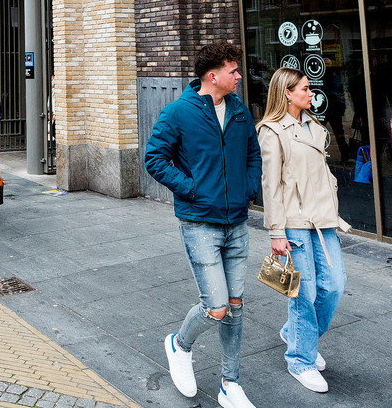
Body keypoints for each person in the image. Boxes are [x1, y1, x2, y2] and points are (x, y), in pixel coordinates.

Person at [144, 41, 260, 408]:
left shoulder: (240, 111)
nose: (239, 76)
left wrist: (248, 188)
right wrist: (190, 188)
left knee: (236, 305)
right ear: (213, 76)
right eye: (233, 70)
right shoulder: (179, 112)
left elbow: (253, 155)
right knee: (217, 307)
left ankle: (230, 384)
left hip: (237, 221)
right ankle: (180, 344)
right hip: (200, 223)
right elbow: (154, 158)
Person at [257, 68, 350, 394]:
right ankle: (300, 359)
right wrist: (275, 231)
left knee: (335, 286)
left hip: (324, 219)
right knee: (304, 294)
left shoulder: (315, 126)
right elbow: (271, 186)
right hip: (294, 223)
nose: (311, 93)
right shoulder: (271, 131)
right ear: (288, 93)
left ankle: (296, 334)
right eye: (305, 89)